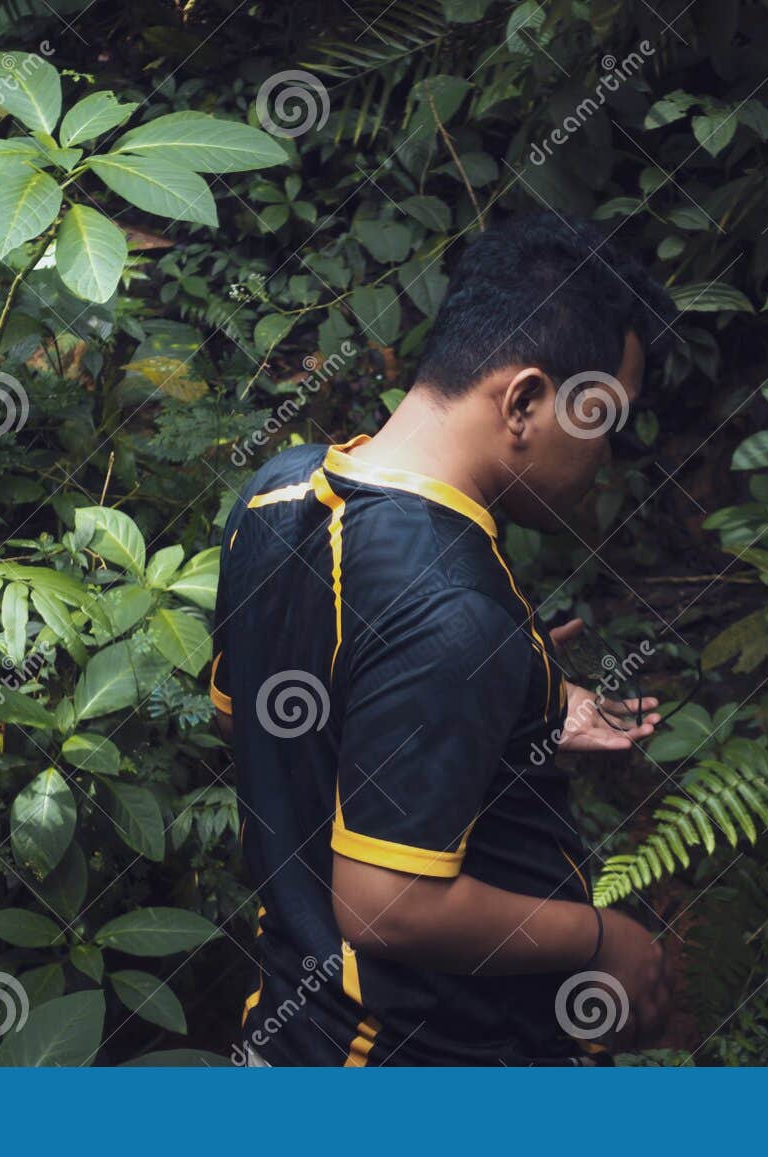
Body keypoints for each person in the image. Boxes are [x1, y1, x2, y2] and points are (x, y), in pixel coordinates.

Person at [209, 211, 676, 1065]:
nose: (608, 454)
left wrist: (511, 712)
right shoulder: (455, 611)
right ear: (527, 399)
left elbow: (272, 722)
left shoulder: (277, 497)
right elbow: (390, 905)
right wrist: (604, 937)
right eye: (606, 418)